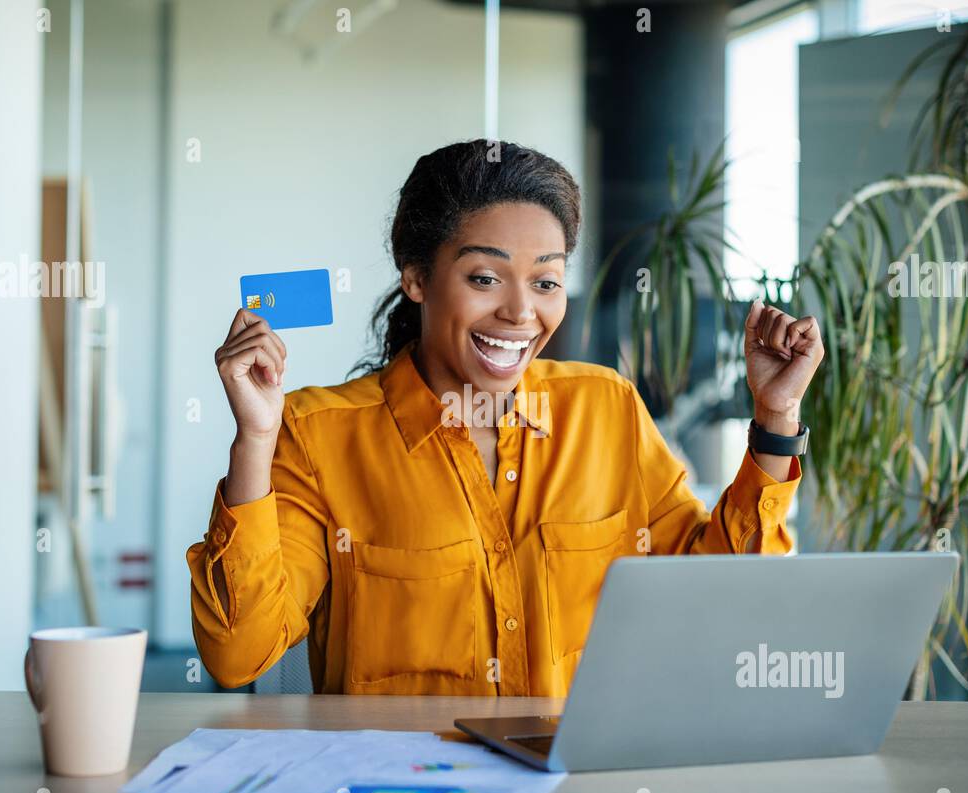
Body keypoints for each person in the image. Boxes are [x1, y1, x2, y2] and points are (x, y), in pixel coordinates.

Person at [187, 139, 824, 696]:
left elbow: (724, 601)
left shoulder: (606, 410)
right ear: (416, 277)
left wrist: (775, 417)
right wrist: (255, 440)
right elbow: (238, 653)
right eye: (486, 277)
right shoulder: (317, 433)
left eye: (546, 283)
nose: (521, 312)